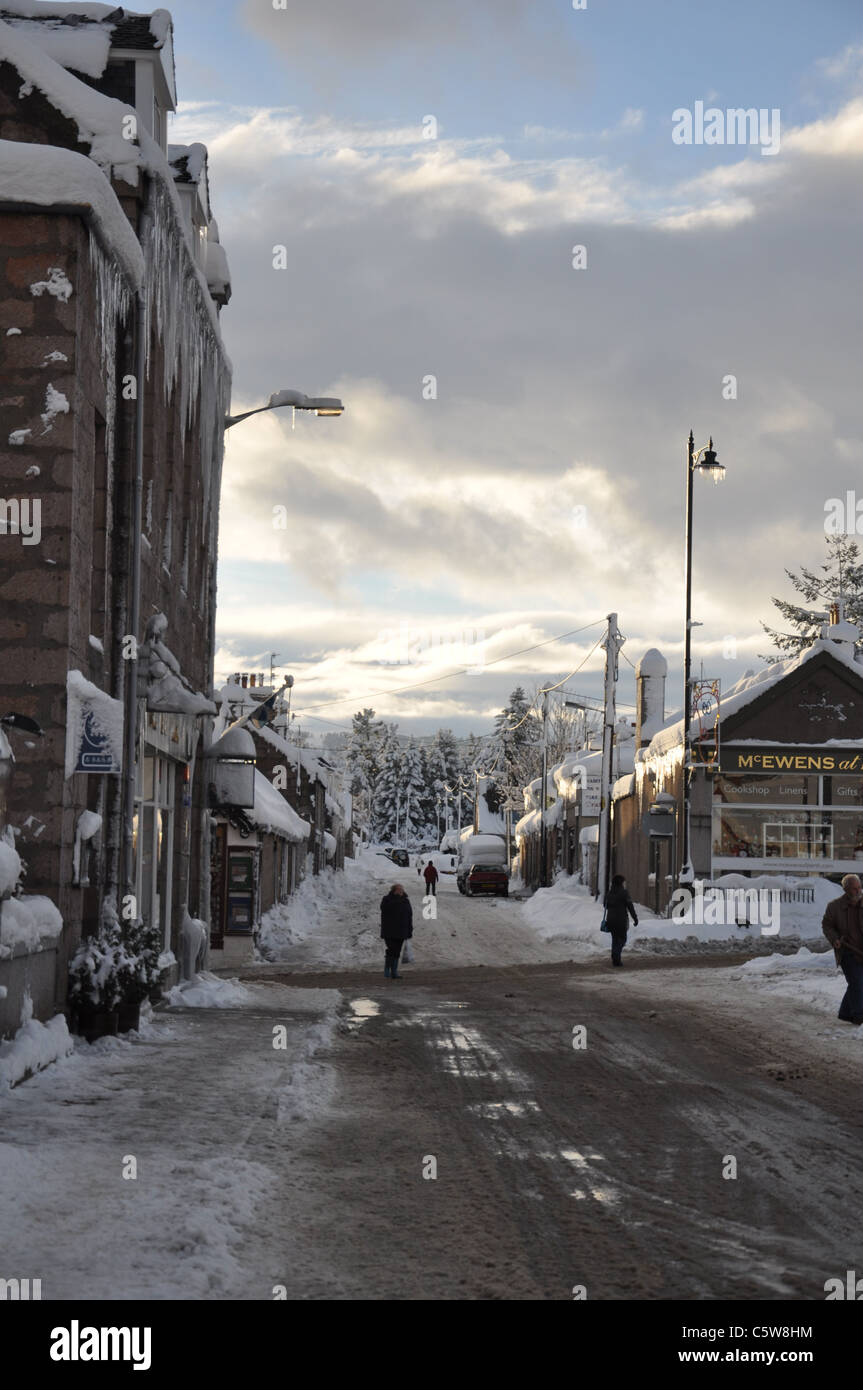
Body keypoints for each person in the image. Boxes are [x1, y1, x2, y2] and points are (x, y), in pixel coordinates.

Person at [822, 873, 863, 1024]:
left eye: (859, 887)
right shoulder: (834, 907)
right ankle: (859, 1016)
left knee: (857, 983)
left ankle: (845, 1013)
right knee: (857, 982)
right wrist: (834, 939)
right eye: (854, 889)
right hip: (847, 952)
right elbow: (827, 925)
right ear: (845, 889)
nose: (858, 891)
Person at [604, 873, 638, 967]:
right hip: (621, 920)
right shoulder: (624, 893)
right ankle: (616, 956)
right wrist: (635, 918)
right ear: (621, 883)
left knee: (615, 939)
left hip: (610, 920)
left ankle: (615, 958)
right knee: (622, 939)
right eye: (624, 882)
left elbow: (605, 905)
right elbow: (630, 906)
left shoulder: (609, 893)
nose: (624, 883)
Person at [380, 882, 413, 980]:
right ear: (394, 890)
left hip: (401, 931)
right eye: (399, 889)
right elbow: (385, 909)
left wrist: (409, 929)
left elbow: (409, 916)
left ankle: (394, 972)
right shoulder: (387, 899)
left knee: (397, 951)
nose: (401, 891)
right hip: (389, 930)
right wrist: (397, 899)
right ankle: (387, 970)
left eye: (402, 889)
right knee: (391, 949)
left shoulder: (406, 901)